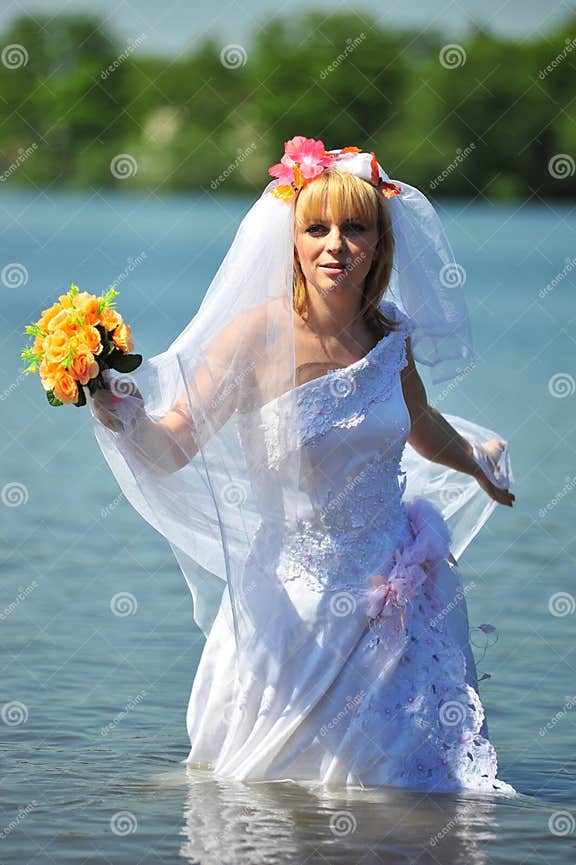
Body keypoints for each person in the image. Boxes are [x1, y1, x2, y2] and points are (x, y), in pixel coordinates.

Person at [89, 137, 517, 794]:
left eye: (355, 228)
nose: (335, 244)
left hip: (393, 601)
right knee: (265, 795)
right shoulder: (253, 337)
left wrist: (476, 464)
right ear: (292, 238)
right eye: (316, 228)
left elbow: (423, 426)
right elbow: (172, 446)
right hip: (292, 605)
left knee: (412, 785)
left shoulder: (389, 336)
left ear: (379, 242)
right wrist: (120, 413)